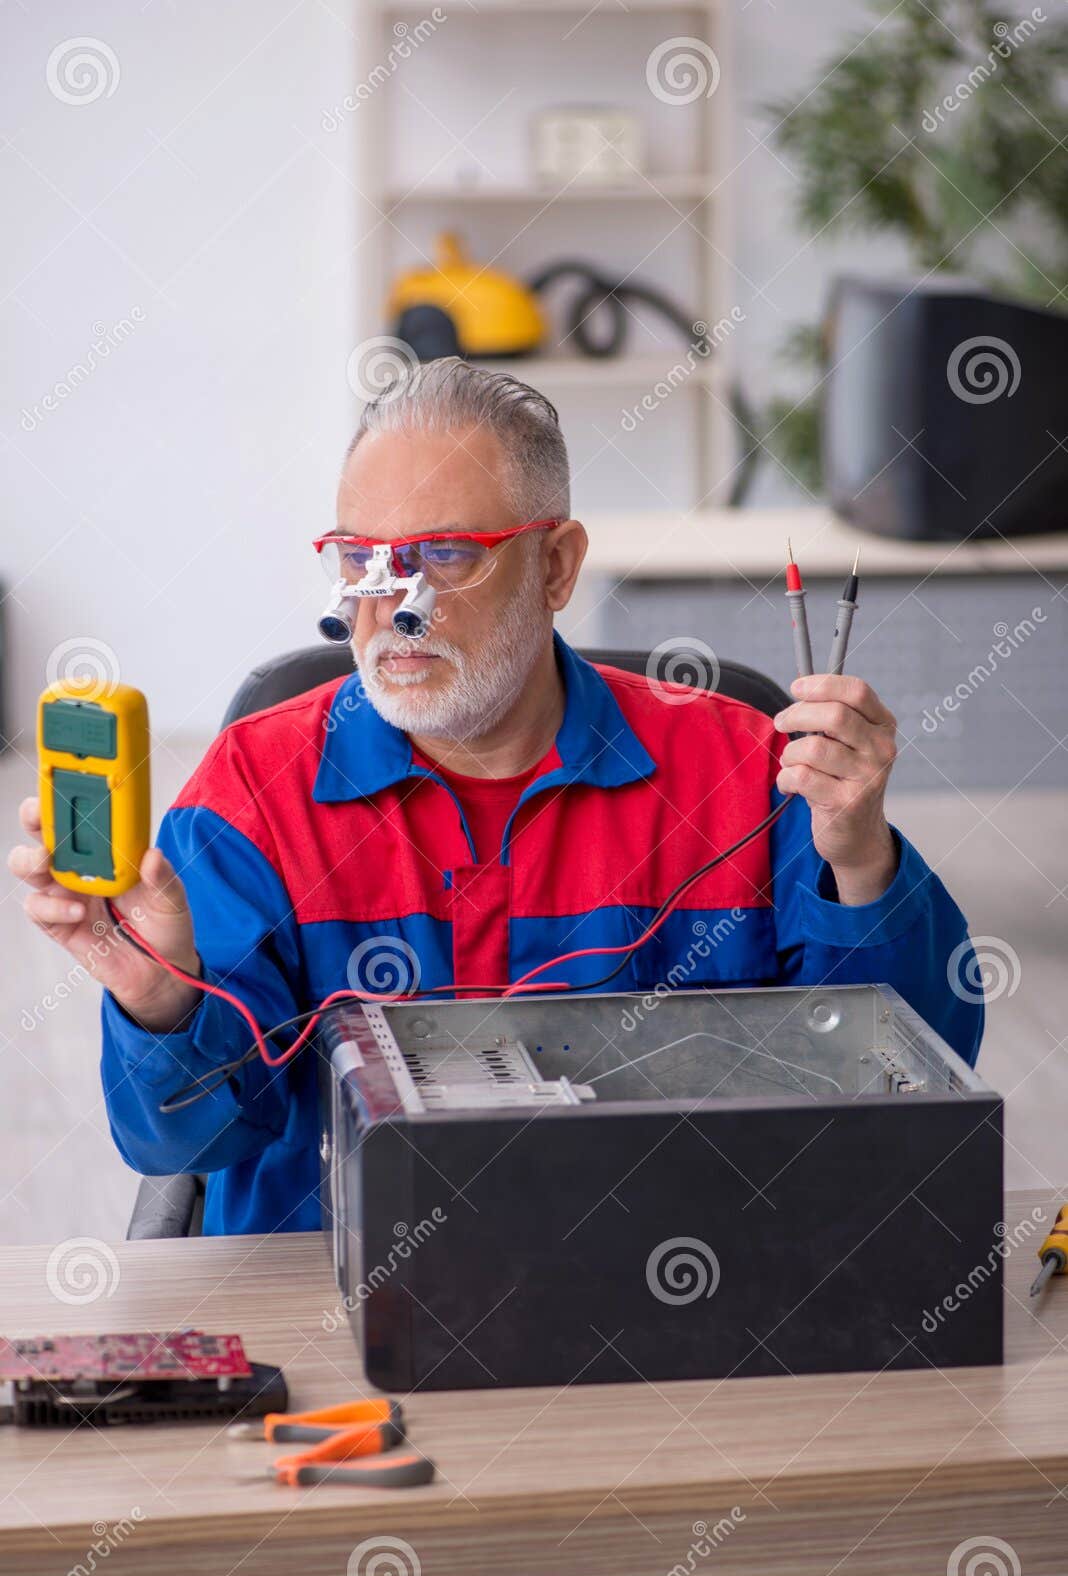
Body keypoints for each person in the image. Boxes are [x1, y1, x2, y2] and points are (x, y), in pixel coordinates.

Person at [10, 358, 983, 1236]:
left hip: (661, 1267)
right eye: (361, 558)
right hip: (335, 1298)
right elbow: (178, 1148)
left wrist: (860, 856)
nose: (392, 603)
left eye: (444, 554)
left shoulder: (737, 767)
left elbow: (903, 1080)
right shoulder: (253, 791)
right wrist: (161, 998)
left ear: (555, 564)